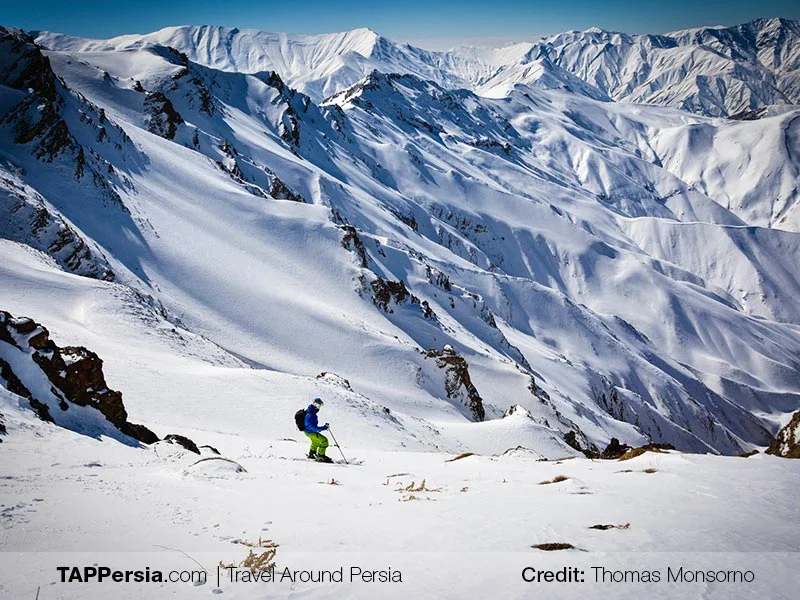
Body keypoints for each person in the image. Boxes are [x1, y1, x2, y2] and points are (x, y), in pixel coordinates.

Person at [304, 398, 333, 463]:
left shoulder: (311, 412)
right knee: (324, 441)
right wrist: (323, 428)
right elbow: (311, 427)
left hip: (308, 432)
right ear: (315, 404)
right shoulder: (310, 414)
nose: (319, 407)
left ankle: (312, 454)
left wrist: (323, 427)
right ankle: (321, 456)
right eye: (319, 406)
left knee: (315, 441)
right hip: (310, 432)